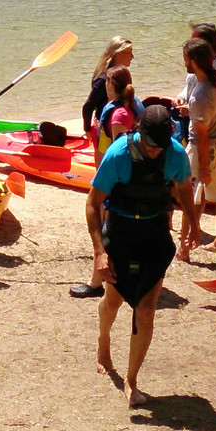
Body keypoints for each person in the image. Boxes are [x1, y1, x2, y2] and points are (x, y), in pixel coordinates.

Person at [87, 104, 196, 407]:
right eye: (149, 145)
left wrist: (193, 222)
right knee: (113, 300)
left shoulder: (175, 153)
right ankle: (103, 340)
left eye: (159, 146)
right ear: (138, 133)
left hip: (154, 234)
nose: (153, 151)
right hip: (120, 233)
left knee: (146, 309)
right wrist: (99, 252)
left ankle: (131, 380)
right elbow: (93, 204)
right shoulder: (118, 154)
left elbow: (184, 188)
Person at [71, 64, 142, 300]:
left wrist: (109, 184)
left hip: (113, 181)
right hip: (116, 179)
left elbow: (120, 152)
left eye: (107, 83)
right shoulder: (129, 107)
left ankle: (96, 282)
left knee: (103, 231)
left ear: (112, 85)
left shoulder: (119, 114)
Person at [178, 38, 216, 256]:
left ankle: (184, 247)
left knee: (190, 199)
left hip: (202, 150)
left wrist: (203, 168)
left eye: (185, 59)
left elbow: (201, 137)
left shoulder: (200, 95)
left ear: (192, 61)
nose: (184, 63)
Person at [81, 37, 134, 137]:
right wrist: (87, 130)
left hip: (118, 123)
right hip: (105, 129)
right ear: (118, 53)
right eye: (129, 52)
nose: (132, 56)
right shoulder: (104, 79)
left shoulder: (121, 75)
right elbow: (88, 106)